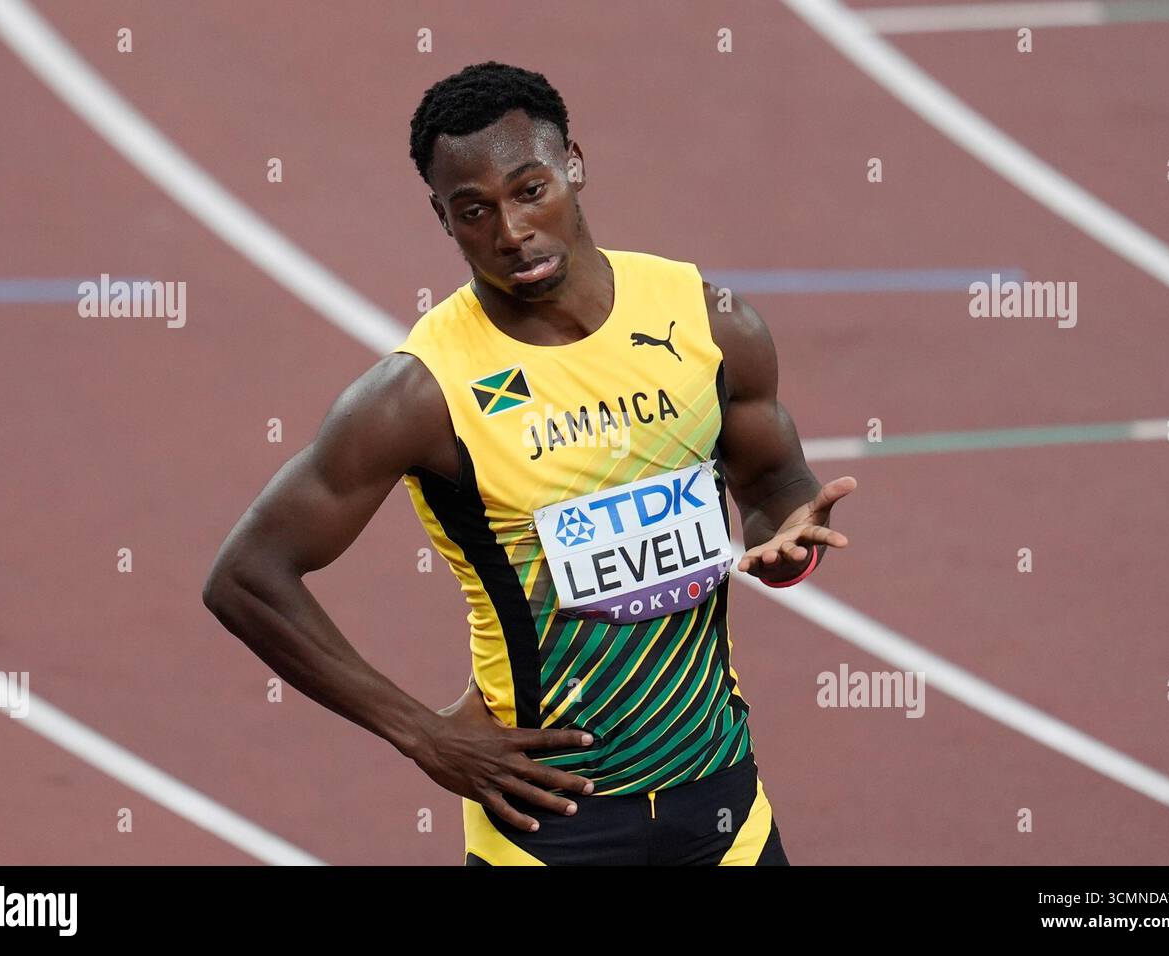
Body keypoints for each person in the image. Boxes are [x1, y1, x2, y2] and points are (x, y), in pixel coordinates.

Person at [203, 61, 855, 865]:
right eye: (473, 211)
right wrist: (423, 735)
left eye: (530, 190)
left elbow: (771, 486)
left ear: (573, 164)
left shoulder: (706, 321)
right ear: (441, 218)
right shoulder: (421, 393)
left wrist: (785, 542)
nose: (510, 233)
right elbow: (245, 575)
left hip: (720, 799)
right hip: (552, 821)